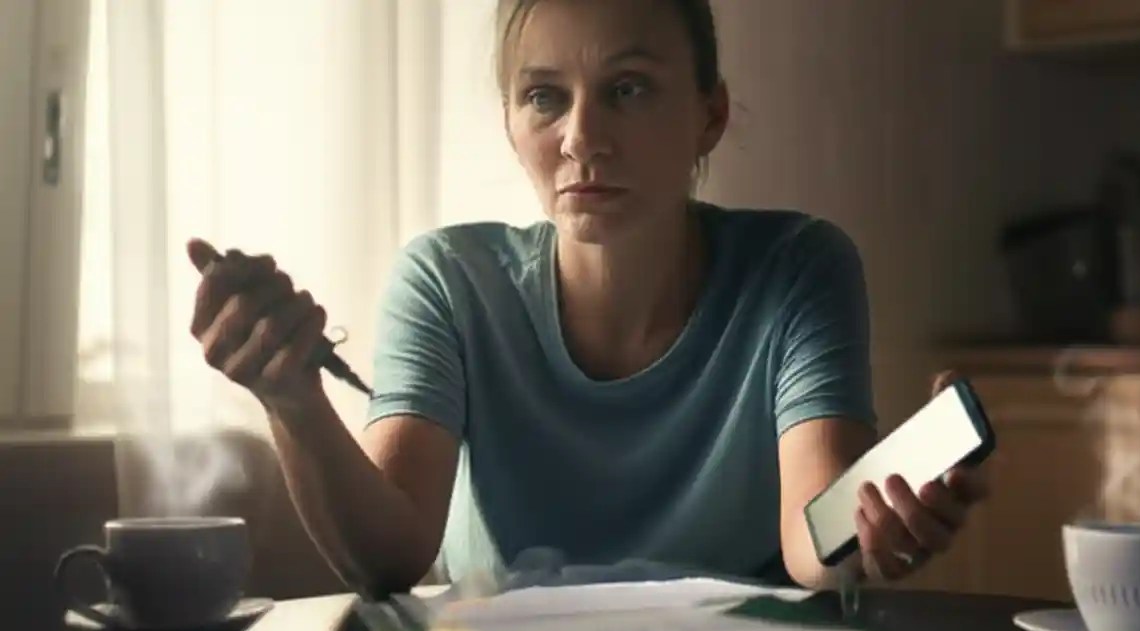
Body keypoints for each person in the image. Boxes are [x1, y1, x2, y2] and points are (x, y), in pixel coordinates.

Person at [185, 0, 988, 598]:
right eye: (543, 96)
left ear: (709, 114)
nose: (579, 138)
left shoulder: (797, 268)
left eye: (628, 89)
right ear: (508, 120)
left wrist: (878, 528)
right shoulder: (447, 282)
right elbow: (391, 557)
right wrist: (293, 400)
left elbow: (813, 538)